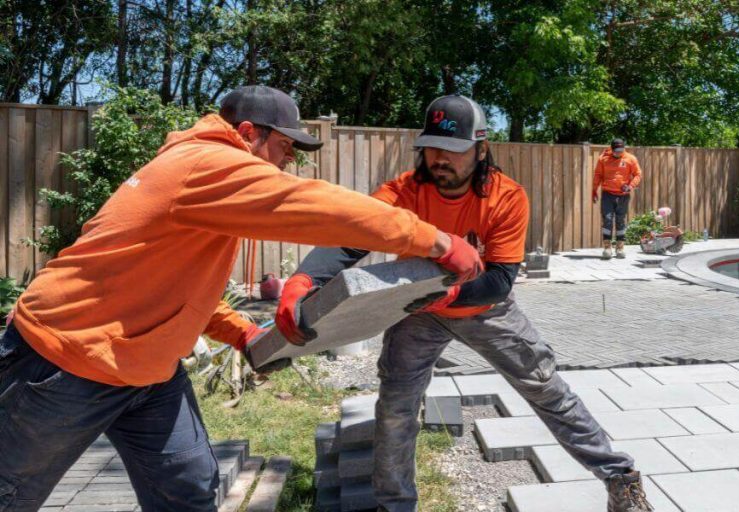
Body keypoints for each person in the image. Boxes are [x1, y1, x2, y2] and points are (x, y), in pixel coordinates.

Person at [0, 85, 482, 512]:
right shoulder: (207, 164)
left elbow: (177, 281)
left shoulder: (203, 179)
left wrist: (243, 333)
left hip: (147, 370)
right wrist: (436, 241)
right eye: (284, 145)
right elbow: (316, 206)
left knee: (188, 491)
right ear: (248, 132)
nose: (289, 159)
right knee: (11, 493)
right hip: (63, 362)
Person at [277, 95, 653, 512]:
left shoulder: (506, 197)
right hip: (418, 313)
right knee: (396, 408)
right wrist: (303, 280)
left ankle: (622, 479)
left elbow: (499, 281)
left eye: (453, 151)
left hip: (485, 310)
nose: (440, 159)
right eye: (432, 148)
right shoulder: (404, 191)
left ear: (481, 148)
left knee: (548, 391)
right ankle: (394, 504)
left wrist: (448, 293)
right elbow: (348, 238)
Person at [592, 138, 643, 259]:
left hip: (623, 195)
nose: (619, 153)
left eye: (621, 150)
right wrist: (594, 190)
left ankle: (620, 248)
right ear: (612, 149)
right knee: (607, 220)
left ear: (624, 148)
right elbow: (598, 175)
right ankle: (607, 248)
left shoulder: (630, 158)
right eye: (616, 151)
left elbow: (638, 174)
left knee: (620, 220)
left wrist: (630, 186)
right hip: (608, 194)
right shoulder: (603, 158)